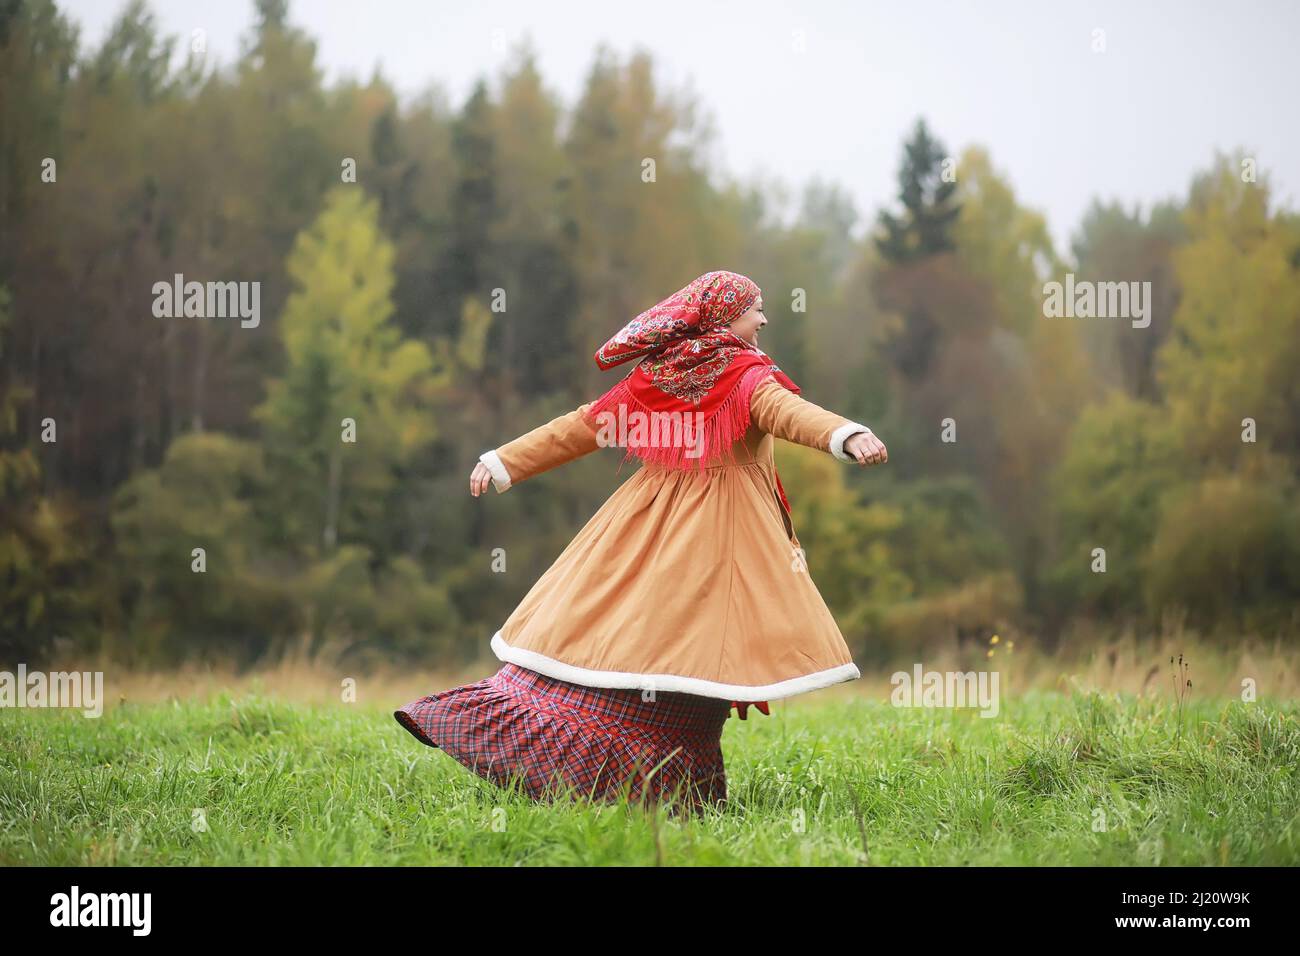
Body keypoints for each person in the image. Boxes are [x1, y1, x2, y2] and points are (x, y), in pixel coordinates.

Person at [395, 270, 888, 817]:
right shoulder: (745, 374)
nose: (764, 319)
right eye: (755, 309)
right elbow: (784, 412)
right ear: (724, 317)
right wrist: (846, 433)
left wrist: (504, 460)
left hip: (643, 526)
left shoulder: (663, 375)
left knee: (627, 636)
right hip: (715, 542)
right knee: (688, 653)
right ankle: (653, 788)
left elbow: (588, 426)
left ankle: (621, 780)